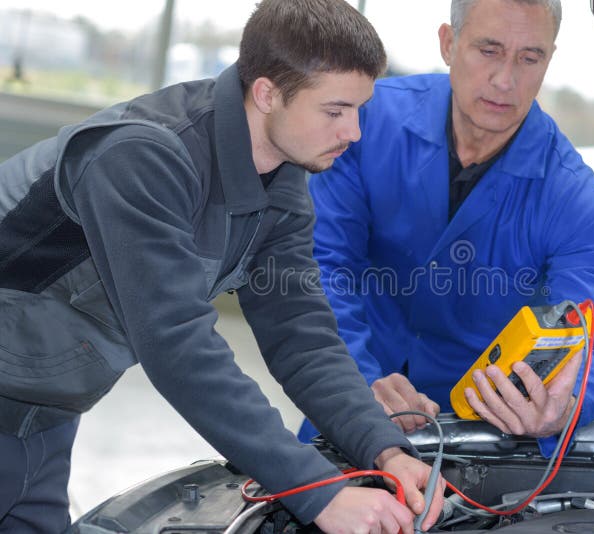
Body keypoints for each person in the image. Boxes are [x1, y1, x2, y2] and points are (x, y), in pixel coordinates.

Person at [0, 1, 444, 532]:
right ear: (267, 93)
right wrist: (318, 493)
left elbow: (303, 338)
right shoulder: (144, 156)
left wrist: (384, 448)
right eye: (335, 110)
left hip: (40, 407)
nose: (355, 132)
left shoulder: (280, 187)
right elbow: (179, 347)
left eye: (359, 110)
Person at [302, 0, 594, 456]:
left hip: (482, 440)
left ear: (548, 60)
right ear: (448, 44)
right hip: (346, 401)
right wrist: (358, 379)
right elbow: (324, 267)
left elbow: (591, 338)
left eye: (529, 58)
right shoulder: (366, 125)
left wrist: (565, 406)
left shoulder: (574, 197)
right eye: (489, 50)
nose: (505, 80)